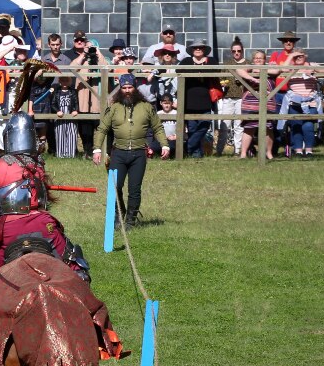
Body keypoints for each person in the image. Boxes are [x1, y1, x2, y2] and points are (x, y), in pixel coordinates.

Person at [0, 112, 92, 291]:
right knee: (78, 268)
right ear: (32, 137)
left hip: (7, 229)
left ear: (8, 137)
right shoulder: (38, 165)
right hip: (42, 226)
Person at [93, 74, 169, 226]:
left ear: (135, 88)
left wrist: (165, 145)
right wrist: (97, 150)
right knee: (115, 187)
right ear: (120, 89)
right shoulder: (114, 108)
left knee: (134, 189)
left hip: (139, 154)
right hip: (118, 153)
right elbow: (102, 129)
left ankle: (130, 221)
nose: (127, 90)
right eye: (124, 88)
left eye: (130, 87)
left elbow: (157, 127)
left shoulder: (147, 107)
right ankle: (117, 216)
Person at [269, 49, 323, 158]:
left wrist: (312, 69)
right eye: (296, 56)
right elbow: (282, 68)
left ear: (305, 56)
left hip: (310, 103)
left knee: (308, 126)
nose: (298, 57)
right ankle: (298, 151)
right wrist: (292, 55)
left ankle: (309, 151)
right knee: (296, 126)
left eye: (301, 55)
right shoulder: (290, 68)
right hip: (294, 103)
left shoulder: (311, 65)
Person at [178, 39, 220, 158]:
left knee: (205, 125)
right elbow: (179, 70)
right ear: (191, 50)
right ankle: (196, 154)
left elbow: (217, 69)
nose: (197, 49)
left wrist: (199, 69)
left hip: (206, 101)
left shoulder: (210, 60)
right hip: (189, 101)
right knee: (192, 128)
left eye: (200, 47)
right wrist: (200, 70)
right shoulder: (186, 61)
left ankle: (188, 146)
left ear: (204, 50)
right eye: (195, 48)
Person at [236, 50, 275, 160]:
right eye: (256, 58)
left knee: (268, 128)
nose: (258, 59)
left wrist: (263, 70)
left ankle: (269, 153)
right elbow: (238, 69)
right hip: (250, 103)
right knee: (248, 128)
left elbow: (278, 70)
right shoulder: (249, 68)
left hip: (267, 102)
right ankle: (243, 154)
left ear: (264, 60)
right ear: (253, 60)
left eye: (260, 58)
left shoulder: (270, 68)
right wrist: (253, 78)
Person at [217, 37, 247, 156]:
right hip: (228, 96)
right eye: (234, 51)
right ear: (231, 52)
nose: (236, 53)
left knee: (239, 125)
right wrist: (223, 82)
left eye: (239, 51)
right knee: (225, 124)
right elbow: (220, 78)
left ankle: (238, 150)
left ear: (242, 51)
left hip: (242, 97)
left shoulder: (247, 62)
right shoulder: (227, 63)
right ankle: (219, 150)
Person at [50, 75, 79, 158]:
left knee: (72, 133)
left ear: (70, 82)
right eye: (63, 80)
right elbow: (53, 104)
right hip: (60, 116)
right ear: (60, 81)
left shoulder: (73, 91)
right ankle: (61, 154)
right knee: (60, 134)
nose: (65, 82)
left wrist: (75, 110)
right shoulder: (56, 91)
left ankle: (71, 154)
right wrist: (57, 111)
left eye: (67, 80)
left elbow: (76, 102)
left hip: (71, 115)